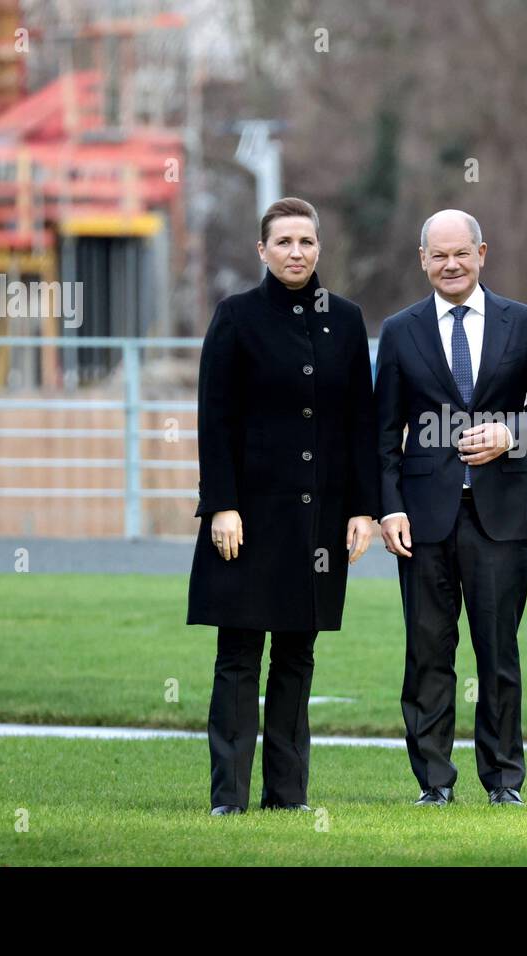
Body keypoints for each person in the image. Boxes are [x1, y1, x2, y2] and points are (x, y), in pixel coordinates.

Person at [187, 197, 379, 815]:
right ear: (262, 250)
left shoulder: (346, 321)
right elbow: (213, 420)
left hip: (318, 524)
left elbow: (359, 423)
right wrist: (222, 505)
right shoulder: (236, 317)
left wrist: (362, 508)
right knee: (239, 654)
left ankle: (288, 797)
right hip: (245, 519)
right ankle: (228, 798)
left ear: (319, 248)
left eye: (307, 242)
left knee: (298, 654)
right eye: (285, 242)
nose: (297, 252)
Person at [375, 208, 527, 807]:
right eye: (439, 255)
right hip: (423, 518)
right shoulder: (401, 330)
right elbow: (382, 433)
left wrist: (511, 432)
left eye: (462, 253)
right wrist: (388, 508)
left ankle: (504, 781)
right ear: (423, 261)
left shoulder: (523, 322)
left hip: (500, 515)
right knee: (428, 654)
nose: (451, 264)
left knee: (497, 653)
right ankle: (434, 783)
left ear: (482, 254)